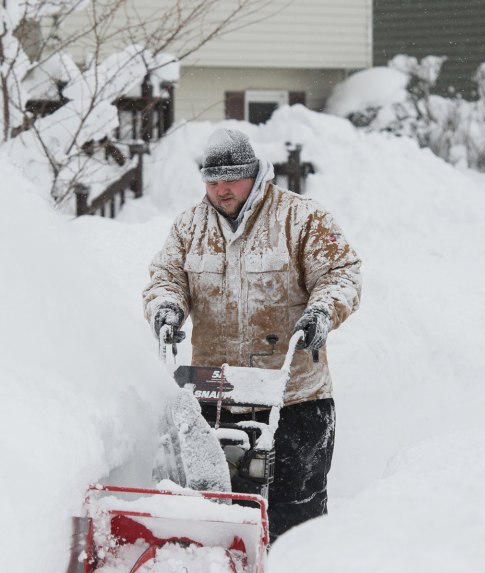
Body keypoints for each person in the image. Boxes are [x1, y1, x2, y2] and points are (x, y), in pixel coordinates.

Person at [142, 128, 362, 541]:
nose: (221, 190)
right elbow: (166, 278)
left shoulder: (301, 218)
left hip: (294, 398)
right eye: (212, 181)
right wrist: (166, 307)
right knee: (215, 512)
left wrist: (322, 311)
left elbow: (340, 274)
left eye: (231, 179)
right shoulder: (189, 227)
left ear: (254, 174)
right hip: (215, 396)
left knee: (295, 517)